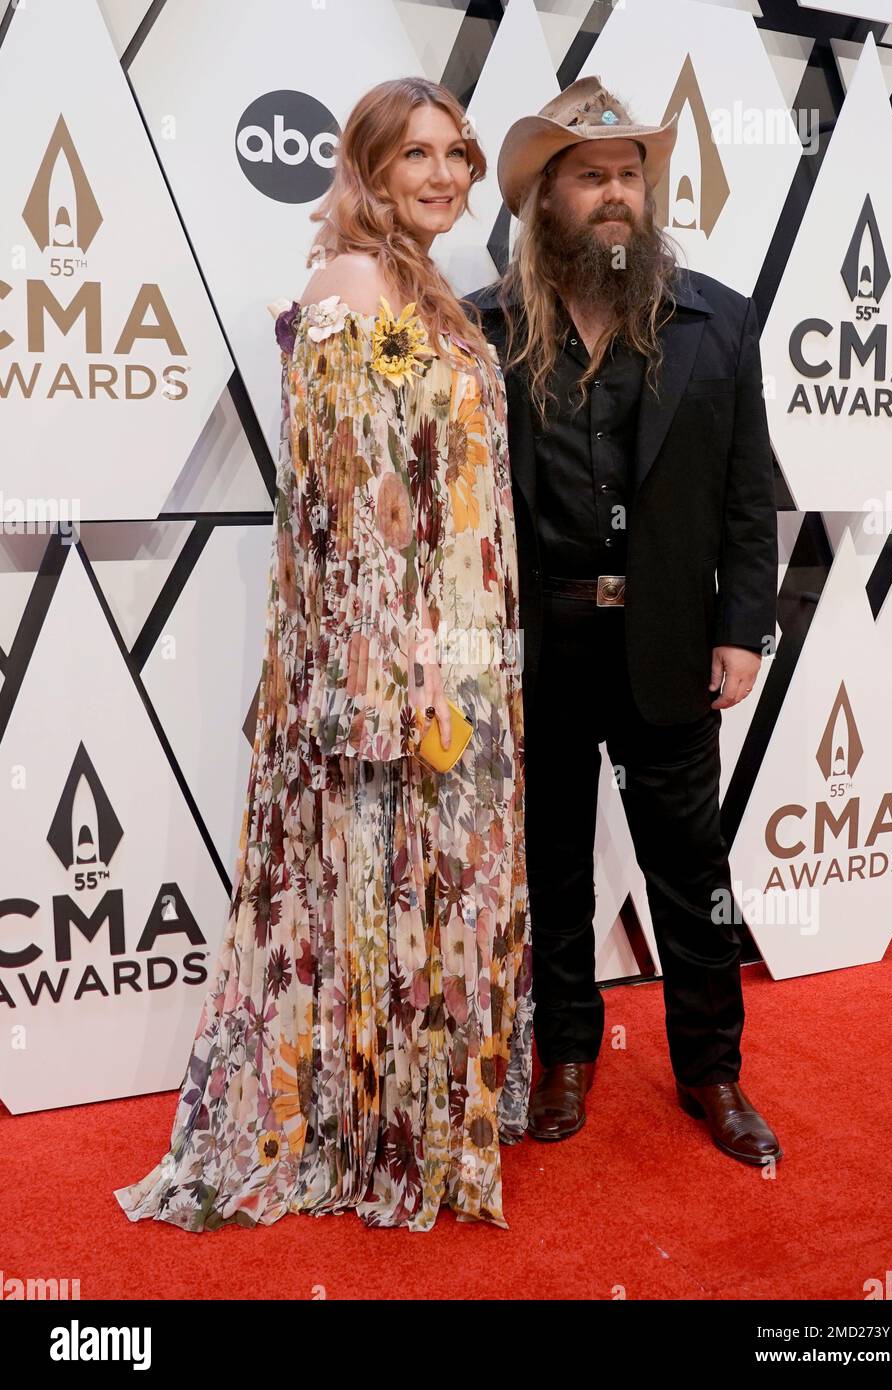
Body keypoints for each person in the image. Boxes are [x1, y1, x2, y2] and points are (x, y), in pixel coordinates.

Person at [113, 76, 532, 1233]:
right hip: (399, 663)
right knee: (379, 881)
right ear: (366, 169)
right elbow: (351, 506)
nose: (446, 175)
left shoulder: (428, 287)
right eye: (417, 156)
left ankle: (421, 1113)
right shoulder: (351, 285)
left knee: (444, 883)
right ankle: (368, 1124)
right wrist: (390, 674)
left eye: (458, 153)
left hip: (463, 641)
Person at [464, 76, 781, 1164]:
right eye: (590, 176)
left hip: (667, 647)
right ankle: (564, 1055)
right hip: (538, 648)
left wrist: (744, 627)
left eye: (629, 176)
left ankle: (711, 1072)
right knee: (550, 866)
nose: (615, 196)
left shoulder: (719, 321)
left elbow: (748, 495)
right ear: (545, 200)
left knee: (689, 869)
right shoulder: (481, 332)